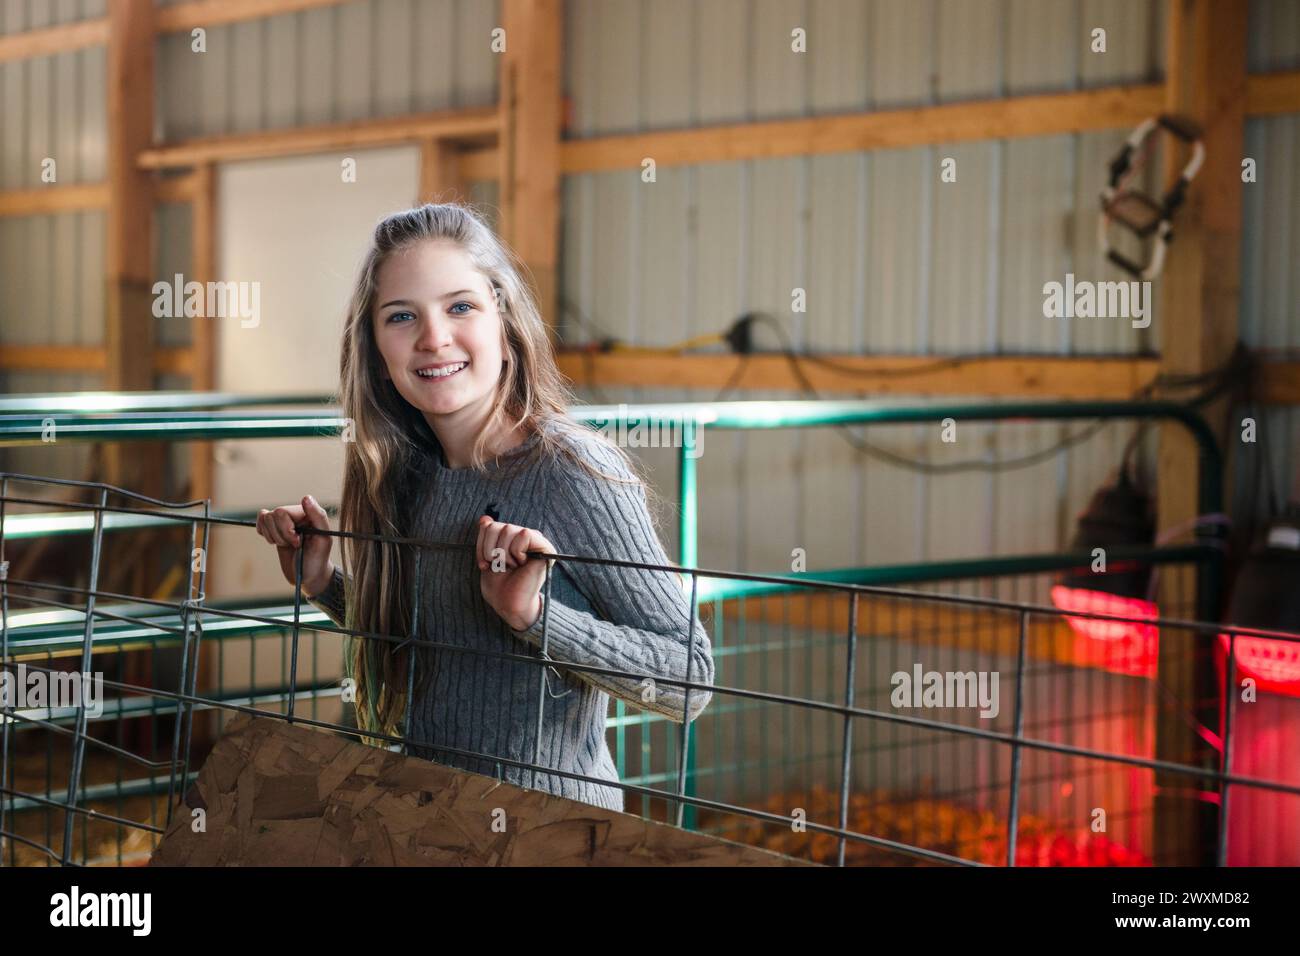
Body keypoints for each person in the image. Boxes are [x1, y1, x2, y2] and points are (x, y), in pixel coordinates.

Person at [254, 202, 713, 812]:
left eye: (460, 306)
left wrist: (534, 617)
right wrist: (325, 585)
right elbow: (433, 646)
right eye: (401, 316)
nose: (433, 337)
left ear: (504, 318)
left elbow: (688, 681)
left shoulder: (572, 471)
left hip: (547, 829)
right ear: (376, 349)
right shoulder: (404, 473)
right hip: (428, 818)